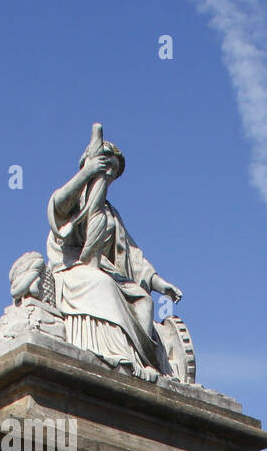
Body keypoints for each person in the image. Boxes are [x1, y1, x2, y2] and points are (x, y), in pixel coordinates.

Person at [46, 128, 183, 380]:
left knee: (144, 300)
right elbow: (57, 208)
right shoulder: (77, 199)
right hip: (71, 269)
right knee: (103, 285)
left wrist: (160, 284)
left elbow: (133, 256)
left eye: (114, 171)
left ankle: (139, 360)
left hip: (104, 269)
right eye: (106, 166)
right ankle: (113, 354)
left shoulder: (110, 213)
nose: (109, 174)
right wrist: (87, 173)